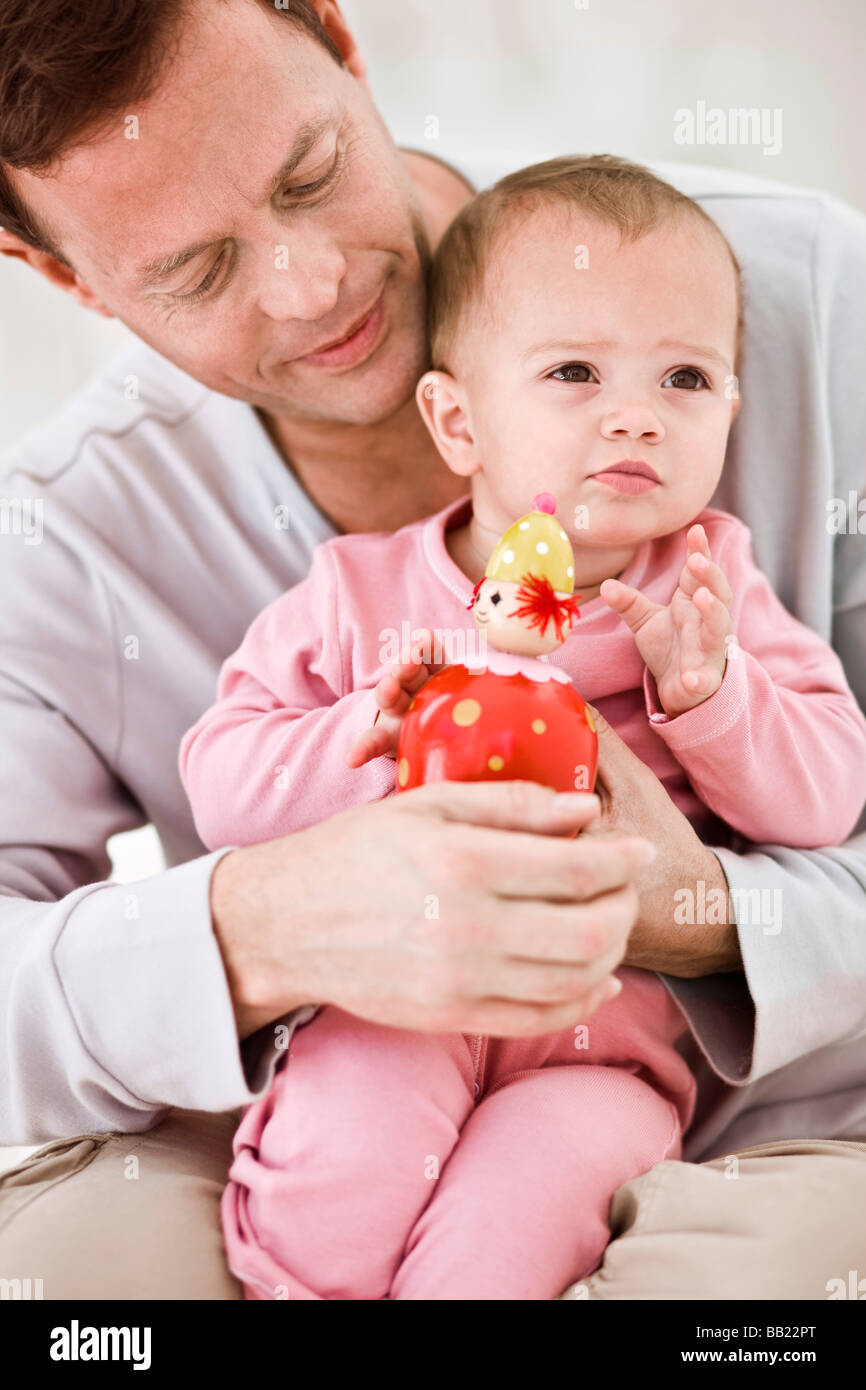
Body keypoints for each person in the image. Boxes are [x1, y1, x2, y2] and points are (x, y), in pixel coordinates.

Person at [0, 0, 864, 1301]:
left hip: (751, 1107)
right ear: (75, 282)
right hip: (348, 1066)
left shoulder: (792, 314)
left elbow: (819, 772)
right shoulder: (78, 540)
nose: (312, 286)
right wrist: (264, 925)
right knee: (78, 1280)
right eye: (195, 271)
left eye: (310, 173)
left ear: (342, 42)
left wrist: (697, 911)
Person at [178, 156, 866, 1300]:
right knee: (336, 1177)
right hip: (395, 999)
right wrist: (370, 732)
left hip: (608, 1048)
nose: (634, 412)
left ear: (730, 411)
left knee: (512, 1229)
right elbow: (222, 786)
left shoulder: (712, 588)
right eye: (574, 371)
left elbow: (826, 796)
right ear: (457, 419)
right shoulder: (356, 594)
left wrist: (715, 700)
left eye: (686, 378)